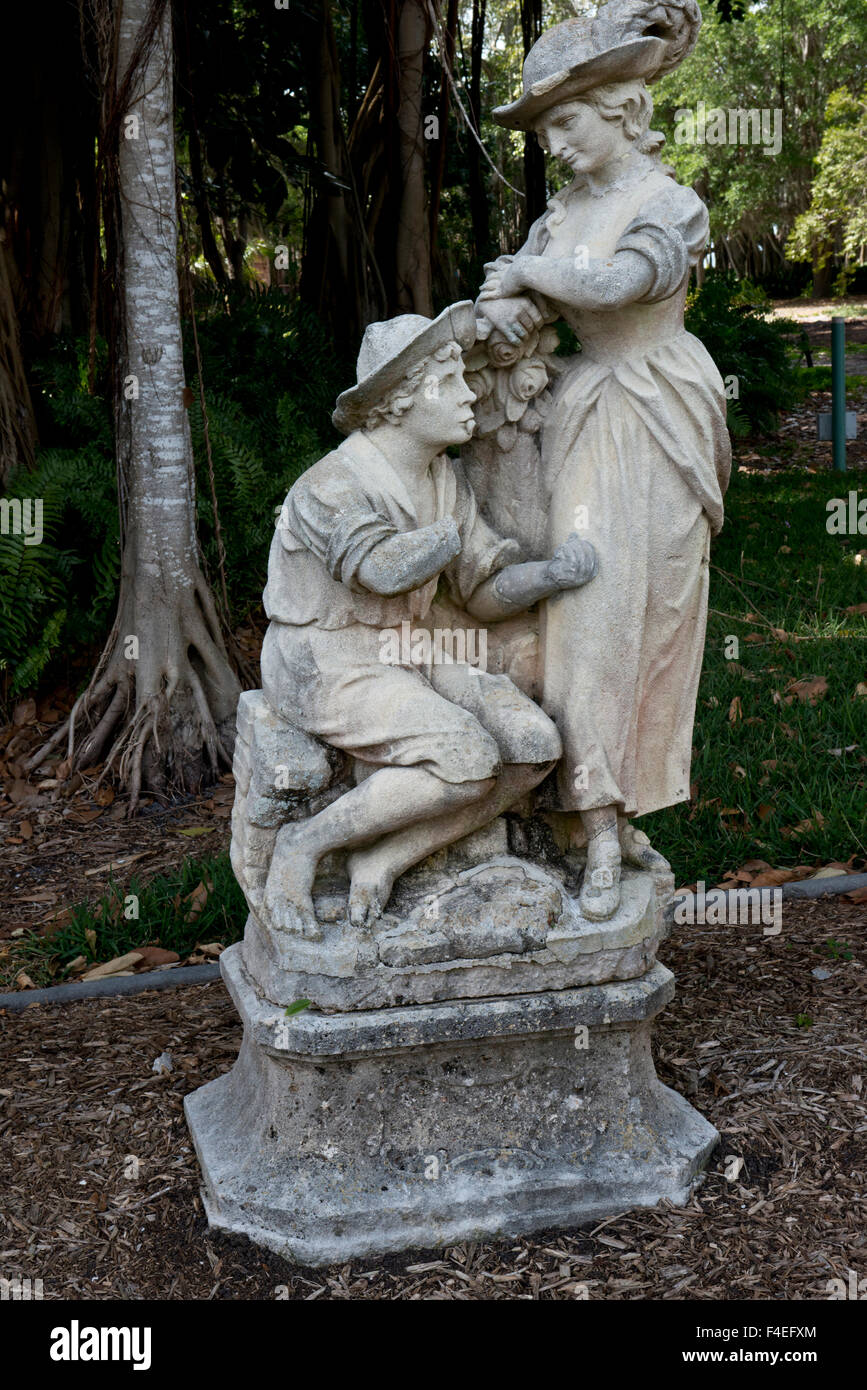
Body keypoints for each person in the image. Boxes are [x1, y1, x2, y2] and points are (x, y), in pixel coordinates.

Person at [476, 3, 731, 920]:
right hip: (580, 414)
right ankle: (584, 813)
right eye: (542, 128)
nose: (552, 142)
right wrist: (503, 308)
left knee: (643, 617)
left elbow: (624, 286)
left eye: (564, 122)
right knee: (580, 621)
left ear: (622, 106)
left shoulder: (668, 205)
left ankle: (618, 811)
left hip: (655, 410)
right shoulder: (557, 219)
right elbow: (529, 309)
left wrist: (525, 277)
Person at [260, 302, 598, 936]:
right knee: (466, 755)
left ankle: (384, 858)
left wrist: (549, 574)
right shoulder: (331, 485)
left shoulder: (441, 478)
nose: (469, 391)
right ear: (401, 401)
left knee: (533, 746)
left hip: (407, 648)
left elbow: (483, 591)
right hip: (329, 659)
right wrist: (446, 536)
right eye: (448, 381)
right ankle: (300, 848)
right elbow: (383, 570)